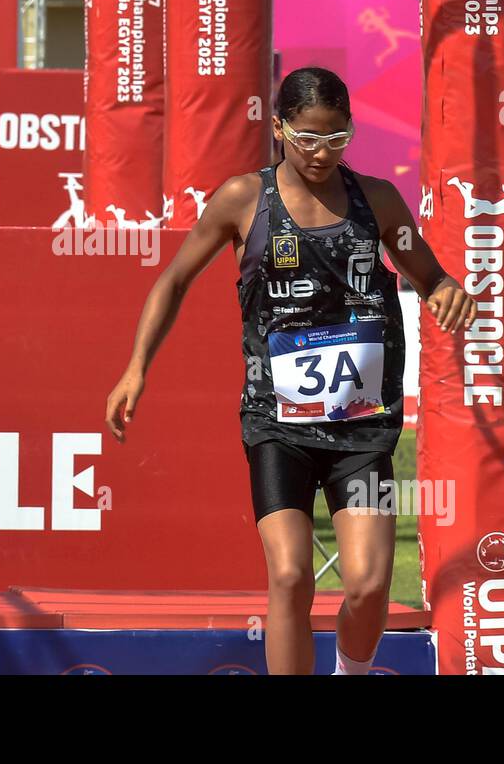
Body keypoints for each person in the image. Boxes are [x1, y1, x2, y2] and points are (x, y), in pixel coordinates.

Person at [104, 67, 477, 675]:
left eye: (336, 137)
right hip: (276, 424)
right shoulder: (242, 199)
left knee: (368, 584)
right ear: (278, 128)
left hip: (362, 427)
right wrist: (135, 368)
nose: (321, 152)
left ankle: (350, 672)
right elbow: (173, 280)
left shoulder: (377, 200)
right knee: (290, 573)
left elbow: (430, 275)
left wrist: (445, 292)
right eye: (306, 137)